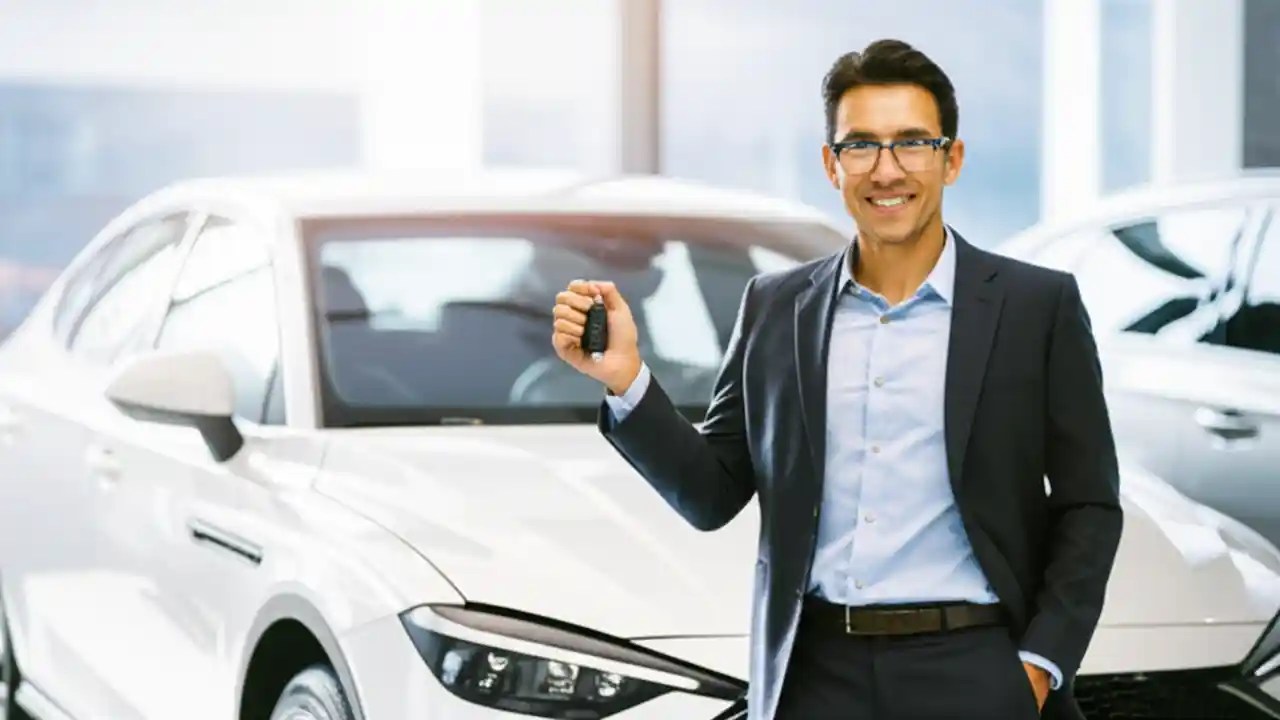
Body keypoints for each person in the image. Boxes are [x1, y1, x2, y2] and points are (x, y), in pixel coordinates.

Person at [550, 38, 1121, 720]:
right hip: (813, 675)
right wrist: (627, 380)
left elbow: (1090, 502)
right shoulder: (774, 306)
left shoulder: (1036, 307)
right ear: (831, 164)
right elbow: (711, 493)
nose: (887, 170)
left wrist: (1039, 665)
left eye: (912, 142)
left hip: (974, 669)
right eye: (861, 146)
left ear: (952, 159)